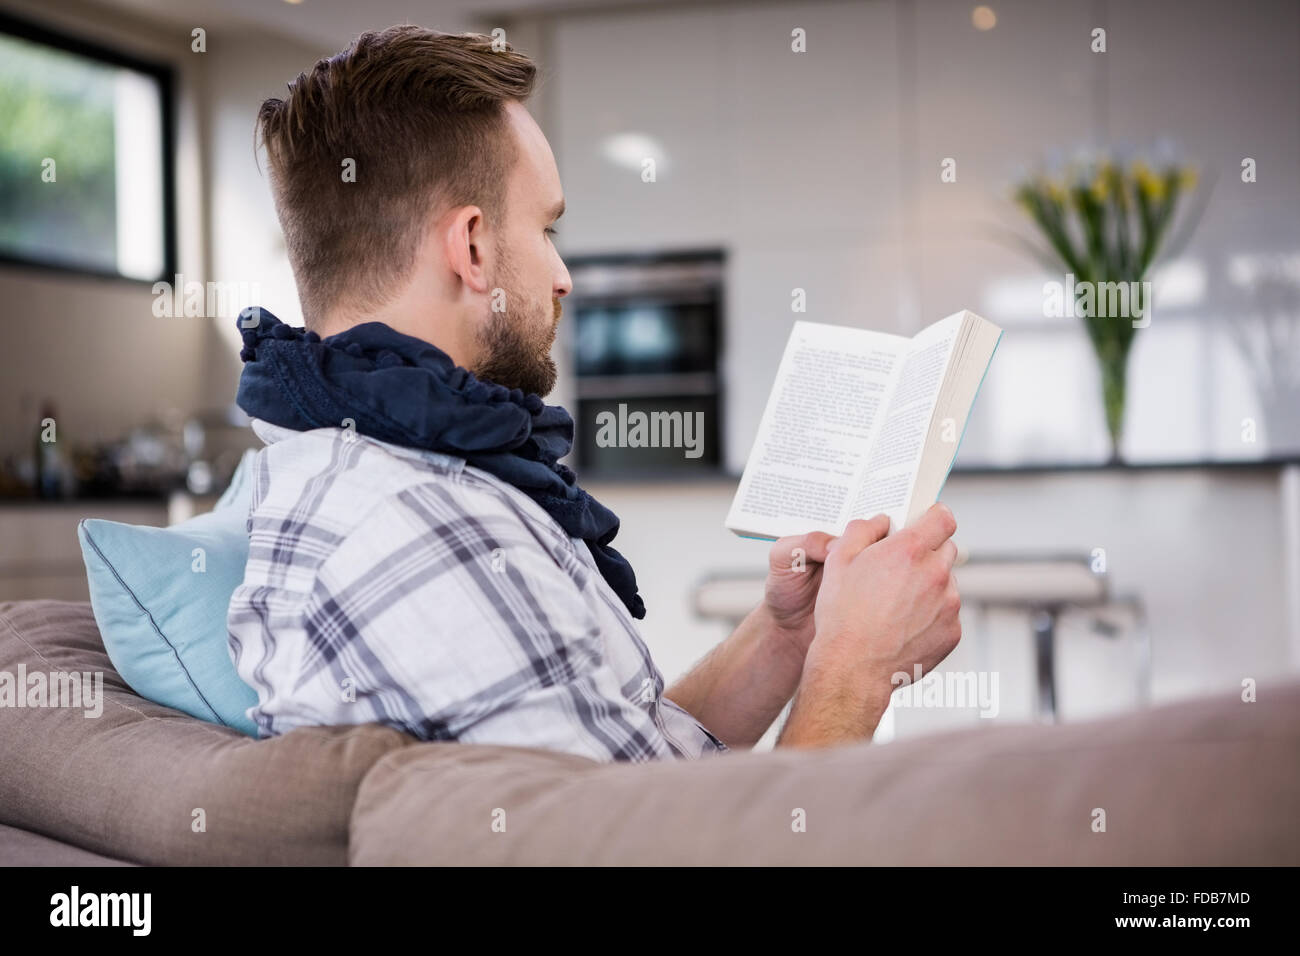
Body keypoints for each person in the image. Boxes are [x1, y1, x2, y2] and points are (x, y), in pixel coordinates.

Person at [226, 25, 962, 762]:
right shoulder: (426, 527)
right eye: (546, 229)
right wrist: (855, 672)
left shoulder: (393, 474)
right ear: (473, 247)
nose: (563, 276)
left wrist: (789, 636)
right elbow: (660, 848)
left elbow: (627, 771)